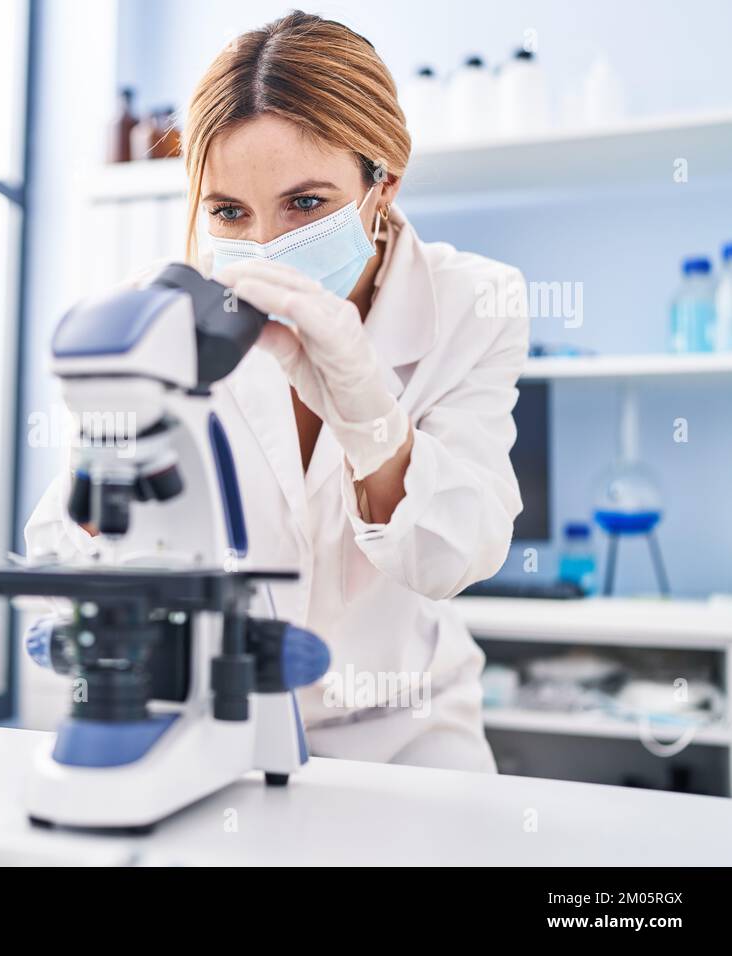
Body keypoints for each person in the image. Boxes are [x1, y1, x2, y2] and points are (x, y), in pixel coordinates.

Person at [27, 10, 528, 772]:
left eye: (306, 204)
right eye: (229, 211)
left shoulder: (474, 302)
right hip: (209, 714)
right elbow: (63, 556)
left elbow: (454, 554)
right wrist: (108, 473)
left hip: (401, 727)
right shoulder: (153, 318)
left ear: (382, 183)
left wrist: (366, 410)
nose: (264, 248)